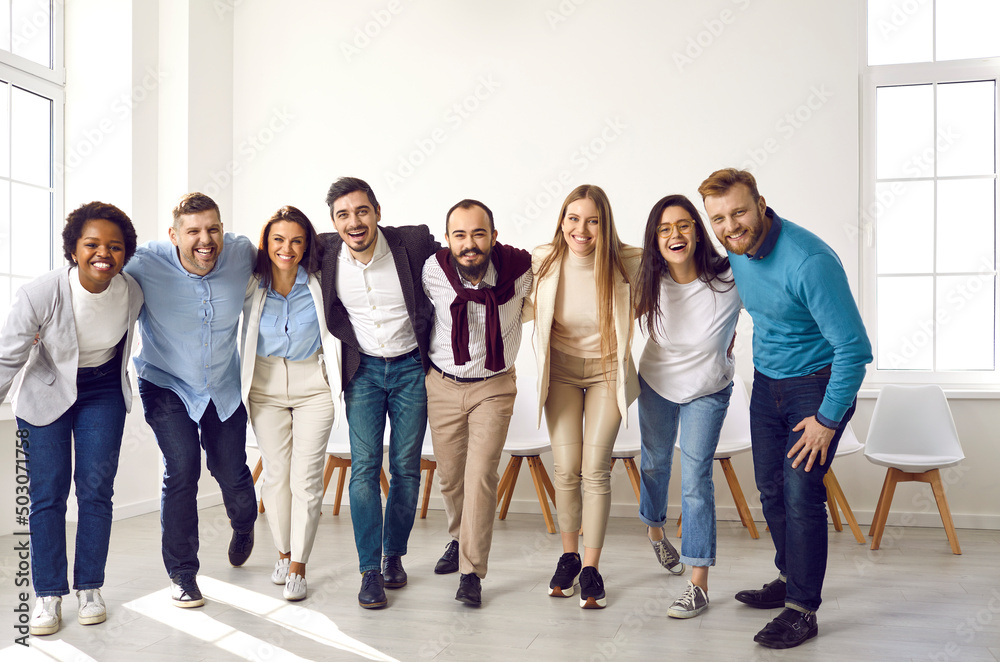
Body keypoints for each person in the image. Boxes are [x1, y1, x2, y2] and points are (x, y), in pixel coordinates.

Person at [699, 168, 872, 649]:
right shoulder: (736, 251)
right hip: (767, 384)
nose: (730, 226)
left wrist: (827, 420)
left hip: (817, 388)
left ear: (760, 204)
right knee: (772, 490)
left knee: (800, 494)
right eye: (718, 218)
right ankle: (788, 577)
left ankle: (802, 609)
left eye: (738, 212)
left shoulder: (809, 260)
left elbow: (854, 350)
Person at [0, 202, 142, 635]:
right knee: (48, 494)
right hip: (47, 391)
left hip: (102, 390)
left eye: (115, 247)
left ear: (125, 253)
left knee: (96, 490)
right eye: (92, 244)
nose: (104, 254)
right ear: (74, 249)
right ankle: (47, 595)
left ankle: (89, 588)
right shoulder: (41, 293)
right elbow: (7, 358)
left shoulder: (132, 292)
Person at [124, 192, 258, 608]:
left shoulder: (242, 254)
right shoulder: (144, 262)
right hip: (165, 383)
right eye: (194, 231)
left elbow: (292, 260)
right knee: (181, 470)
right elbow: (95, 284)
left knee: (231, 471)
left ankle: (244, 523)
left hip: (223, 384)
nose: (206, 239)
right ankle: (183, 573)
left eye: (213, 229)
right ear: (174, 234)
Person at [318, 176, 440, 609]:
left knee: (406, 467)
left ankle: (393, 557)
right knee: (364, 467)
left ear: (377, 212)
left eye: (362, 211)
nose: (354, 221)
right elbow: (277, 251)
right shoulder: (325, 251)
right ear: (334, 223)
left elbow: (465, 261)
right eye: (343, 215)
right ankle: (369, 570)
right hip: (364, 370)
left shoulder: (415, 243)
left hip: (410, 367)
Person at [527, 184, 641, 609]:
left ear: (604, 224)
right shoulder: (542, 260)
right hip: (560, 371)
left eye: (592, 220)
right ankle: (568, 557)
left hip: (608, 371)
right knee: (566, 468)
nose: (582, 229)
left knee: (595, 468)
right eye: (573, 218)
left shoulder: (629, 262)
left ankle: (591, 568)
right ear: (561, 221)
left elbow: (675, 292)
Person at [634, 194, 742, 619]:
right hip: (656, 384)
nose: (674, 234)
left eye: (683, 225)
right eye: (664, 229)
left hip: (708, 389)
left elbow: (774, 304)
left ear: (698, 231)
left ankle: (698, 584)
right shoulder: (646, 278)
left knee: (696, 478)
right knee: (655, 463)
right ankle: (656, 530)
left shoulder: (730, 277)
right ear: (655, 239)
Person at [421, 199, 532, 607]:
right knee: (450, 478)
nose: (470, 243)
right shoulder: (432, 270)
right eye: (460, 235)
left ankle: (471, 572)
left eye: (479, 233)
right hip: (443, 385)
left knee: (481, 474)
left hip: (494, 385)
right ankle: (457, 537)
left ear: (494, 236)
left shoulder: (521, 272)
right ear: (448, 239)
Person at [241, 206, 343, 601]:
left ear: (308, 245)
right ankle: (282, 553)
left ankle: (299, 563)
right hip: (263, 386)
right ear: (265, 243)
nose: (287, 248)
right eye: (278, 239)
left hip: (312, 385)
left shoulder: (319, 280)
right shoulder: (250, 283)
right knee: (276, 475)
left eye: (297, 240)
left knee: (306, 478)